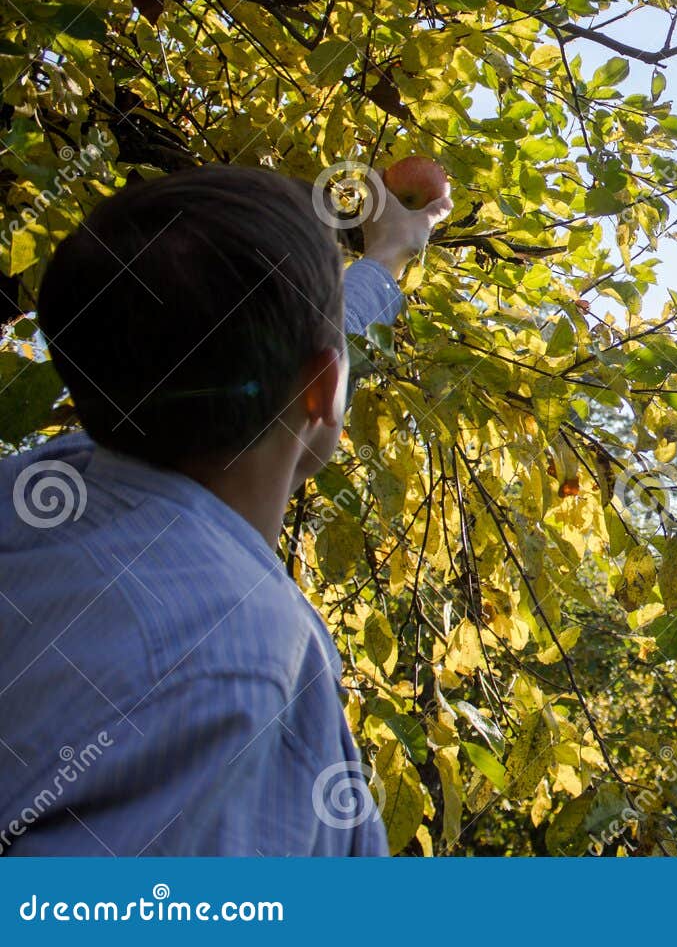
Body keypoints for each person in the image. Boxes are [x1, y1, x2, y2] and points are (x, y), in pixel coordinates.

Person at [0, 163, 450, 855]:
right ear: (324, 390)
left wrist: (384, 261)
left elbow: (286, 365)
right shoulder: (243, 675)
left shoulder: (38, 498)